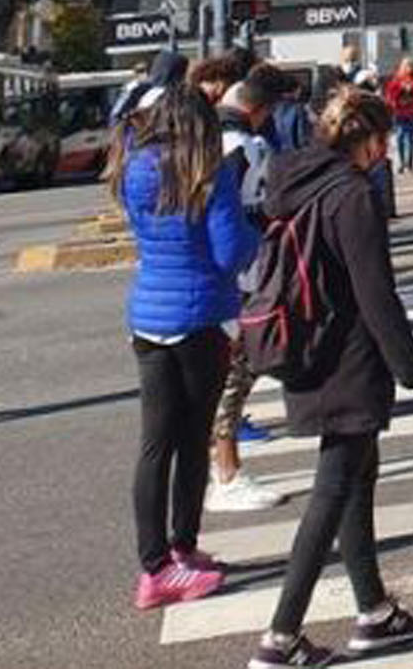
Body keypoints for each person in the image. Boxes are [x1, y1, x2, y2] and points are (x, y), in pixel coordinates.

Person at [248, 88, 413, 668]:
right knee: (333, 490)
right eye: (383, 141)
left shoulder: (298, 179)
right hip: (348, 357)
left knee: (355, 479)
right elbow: (375, 292)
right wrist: (409, 364)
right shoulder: (352, 195)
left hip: (308, 345)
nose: (385, 153)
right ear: (369, 141)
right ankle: (280, 640)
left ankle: (374, 611)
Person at [116, 86, 260, 613]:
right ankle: (176, 552)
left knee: (155, 444)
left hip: (149, 317)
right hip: (201, 317)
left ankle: (156, 563)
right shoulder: (209, 172)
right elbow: (229, 253)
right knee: (193, 438)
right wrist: (256, 231)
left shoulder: (134, 168)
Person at [208, 76, 288, 514]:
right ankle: (226, 473)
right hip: (240, 275)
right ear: (259, 111)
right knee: (234, 373)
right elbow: (236, 215)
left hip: (221, 275)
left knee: (231, 371)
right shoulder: (242, 147)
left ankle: (222, 468)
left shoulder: (211, 142)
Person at [381, 59, 413, 173]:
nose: (409, 68)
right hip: (399, 111)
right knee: (400, 137)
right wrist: (401, 89)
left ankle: (409, 163)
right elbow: (390, 93)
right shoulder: (397, 78)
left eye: (411, 66)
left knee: (410, 138)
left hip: (412, 111)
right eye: (407, 66)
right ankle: (402, 162)